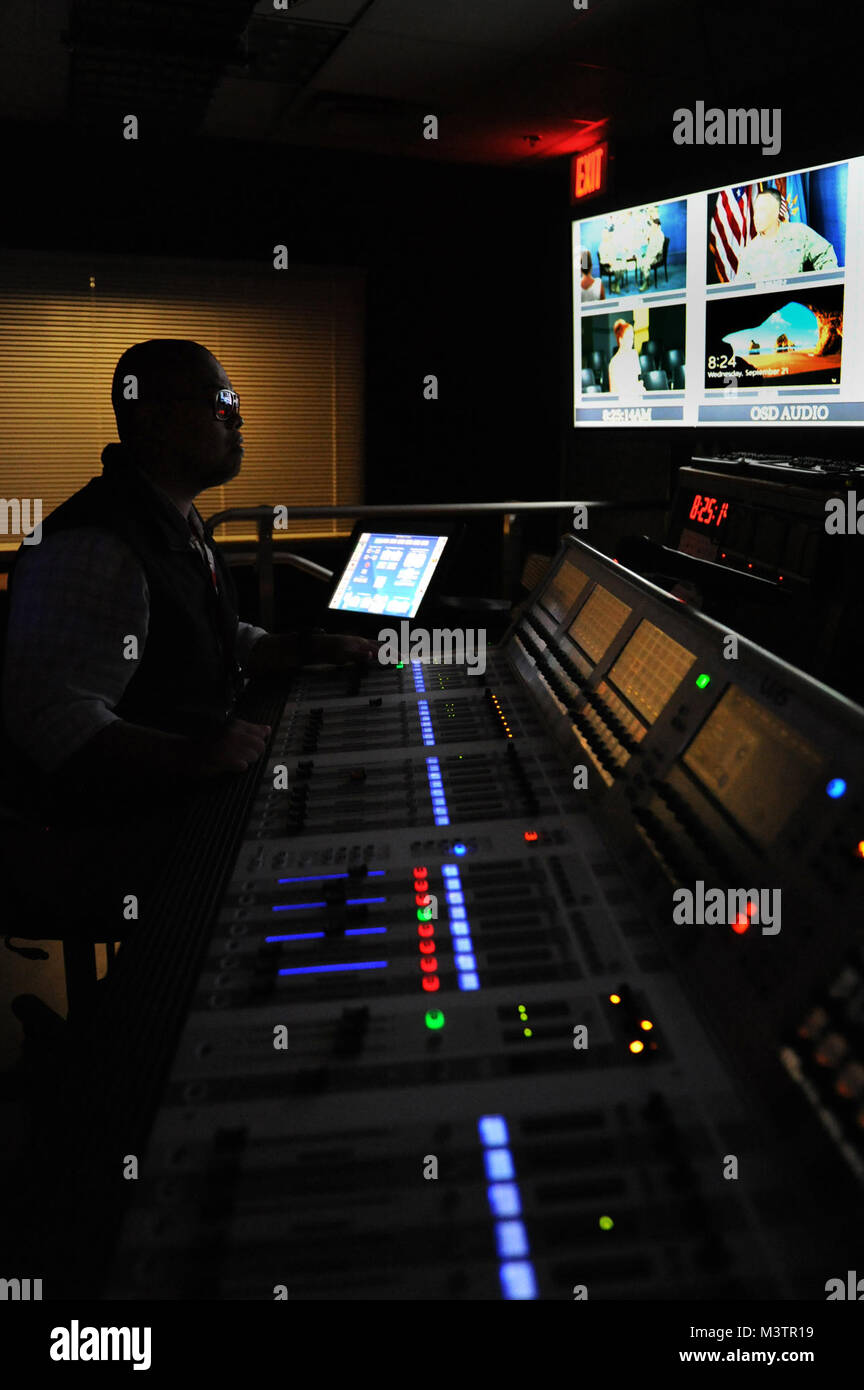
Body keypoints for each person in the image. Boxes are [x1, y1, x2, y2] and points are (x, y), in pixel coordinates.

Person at [0, 339, 379, 926]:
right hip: (113, 831)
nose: (239, 417)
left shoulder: (171, 517)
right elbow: (53, 720)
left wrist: (296, 648)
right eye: (221, 402)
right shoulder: (95, 546)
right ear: (152, 417)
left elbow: (207, 632)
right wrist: (195, 755)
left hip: (178, 794)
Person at [734, 188, 838, 281]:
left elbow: (825, 254)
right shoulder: (749, 252)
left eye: (762, 210)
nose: (756, 217)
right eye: (755, 211)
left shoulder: (799, 232)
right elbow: (742, 290)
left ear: (776, 213)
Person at [607, 319, 644, 396]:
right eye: (629, 338)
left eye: (632, 338)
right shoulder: (614, 363)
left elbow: (637, 380)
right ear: (621, 340)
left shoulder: (634, 355)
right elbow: (614, 391)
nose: (631, 342)